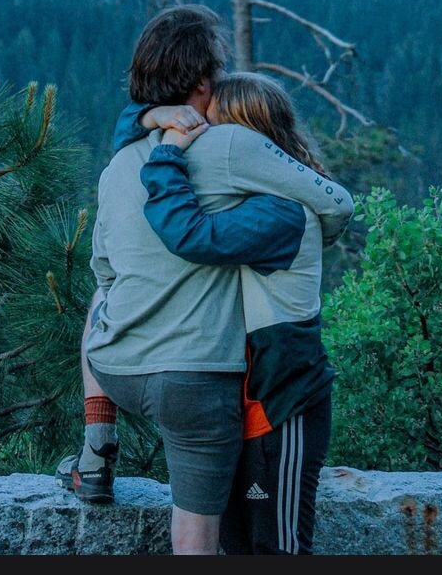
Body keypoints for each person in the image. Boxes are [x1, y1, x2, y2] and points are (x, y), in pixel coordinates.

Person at [57, 6, 351, 557]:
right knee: (202, 528)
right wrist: (318, 226)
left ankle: (96, 444)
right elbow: (198, 234)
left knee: (101, 297)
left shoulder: (118, 164)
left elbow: (104, 273)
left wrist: (149, 123)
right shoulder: (235, 148)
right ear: (200, 82)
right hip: (201, 383)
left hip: (114, 366)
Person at [129, 73, 349, 555]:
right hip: (246, 404)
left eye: (208, 131)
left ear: (244, 141)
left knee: (276, 549)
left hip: (281, 407)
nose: (199, 142)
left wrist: (167, 155)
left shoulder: (279, 214)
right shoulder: (263, 203)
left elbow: (189, 235)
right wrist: (150, 116)